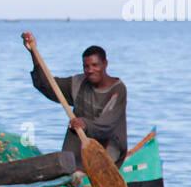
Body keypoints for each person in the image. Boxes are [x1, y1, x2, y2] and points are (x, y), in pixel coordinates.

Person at [21, 31, 127, 166]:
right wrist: (33, 53)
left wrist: (84, 124)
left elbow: (106, 124)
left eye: (95, 65)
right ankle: (73, 174)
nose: (90, 70)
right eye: (86, 66)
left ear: (105, 64)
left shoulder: (117, 90)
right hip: (78, 151)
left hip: (109, 151)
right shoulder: (79, 82)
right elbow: (47, 85)